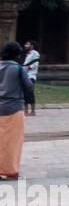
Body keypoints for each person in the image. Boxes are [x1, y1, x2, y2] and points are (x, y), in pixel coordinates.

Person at [0, 42, 34, 179]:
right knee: (13, 143)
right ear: (17, 55)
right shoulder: (19, 69)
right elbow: (29, 87)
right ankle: (10, 170)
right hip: (14, 109)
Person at [21, 41, 39, 116]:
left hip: (31, 75)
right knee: (24, 93)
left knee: (30, 93)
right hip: (23, 75)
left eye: (27, 44)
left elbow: (35, 64)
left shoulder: (35, 53)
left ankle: (33, 111)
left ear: (32, 46)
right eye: (25, 44)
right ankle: (25, 111)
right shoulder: (24, 53)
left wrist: (27, 67)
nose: (25, 45)